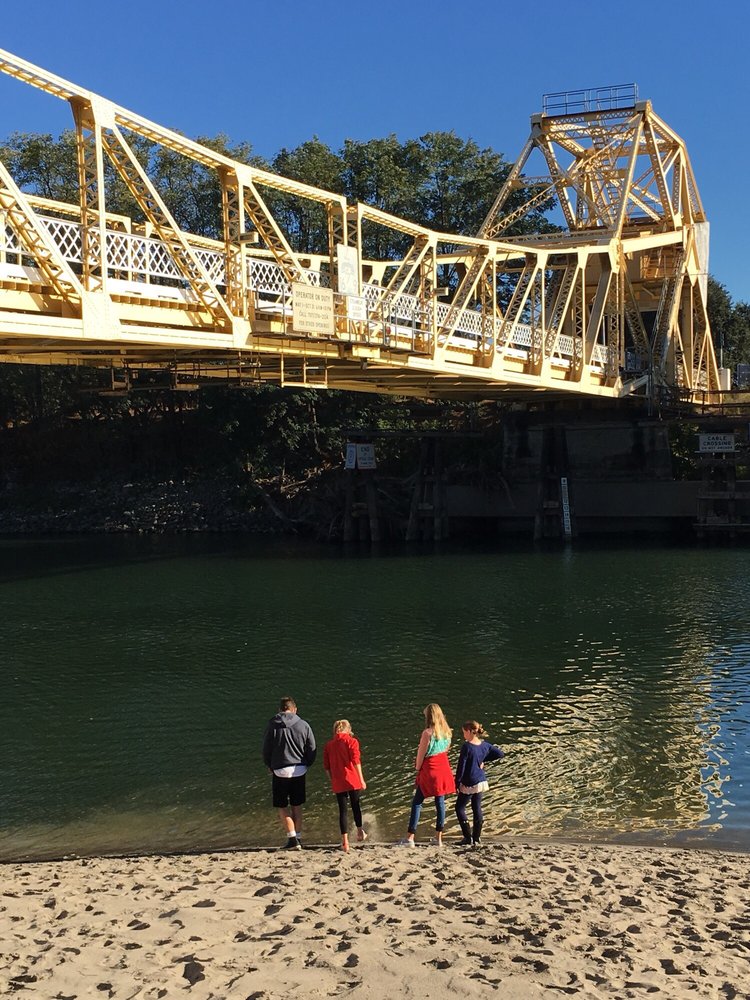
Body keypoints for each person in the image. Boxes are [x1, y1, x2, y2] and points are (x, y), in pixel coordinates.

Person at [262, 696, 316, 850]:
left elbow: (266, 749)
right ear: (294, 709)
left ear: (280, 710)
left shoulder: (273, 726)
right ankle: (298, 837)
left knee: (282, 806)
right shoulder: (304, 725)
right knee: (297, 806)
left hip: (280, 770)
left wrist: (269, 765)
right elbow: (312, 748)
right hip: (299, 769)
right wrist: (307, 764)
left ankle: (292, 838)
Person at [403, 703, 454, 847]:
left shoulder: (427, 733)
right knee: (440, 802)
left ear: (429, 716)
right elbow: (446, 750)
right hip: (443, 767)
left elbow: (421, 755)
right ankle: (438, 838)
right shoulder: (447, 732)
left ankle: (410, 837)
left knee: (417, 802)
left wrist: (418, 768)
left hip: (430, 768)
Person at [454, 720, 504, 846]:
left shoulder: (467, 746)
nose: (463, 734)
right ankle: (476, 838)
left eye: (464, 732)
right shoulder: (484, 745)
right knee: (476, 807)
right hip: (480, 780)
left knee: (459, 808)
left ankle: (467, 837)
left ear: (470, 731)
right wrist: (481, 760)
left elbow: (461, 766)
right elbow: (500, 753)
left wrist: (457, 782)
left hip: (469, 781)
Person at [323, 719, 368, 852]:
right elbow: (356, 761)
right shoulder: (352, 741)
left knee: (342, 811)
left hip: (338, 781)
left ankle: (345, 842)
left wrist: (332, 779)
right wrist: (362, 779)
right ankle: (360, 832)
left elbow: (327, 766)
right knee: (355, 806)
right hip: (352, 779)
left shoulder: (329, 745)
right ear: (348, 730)